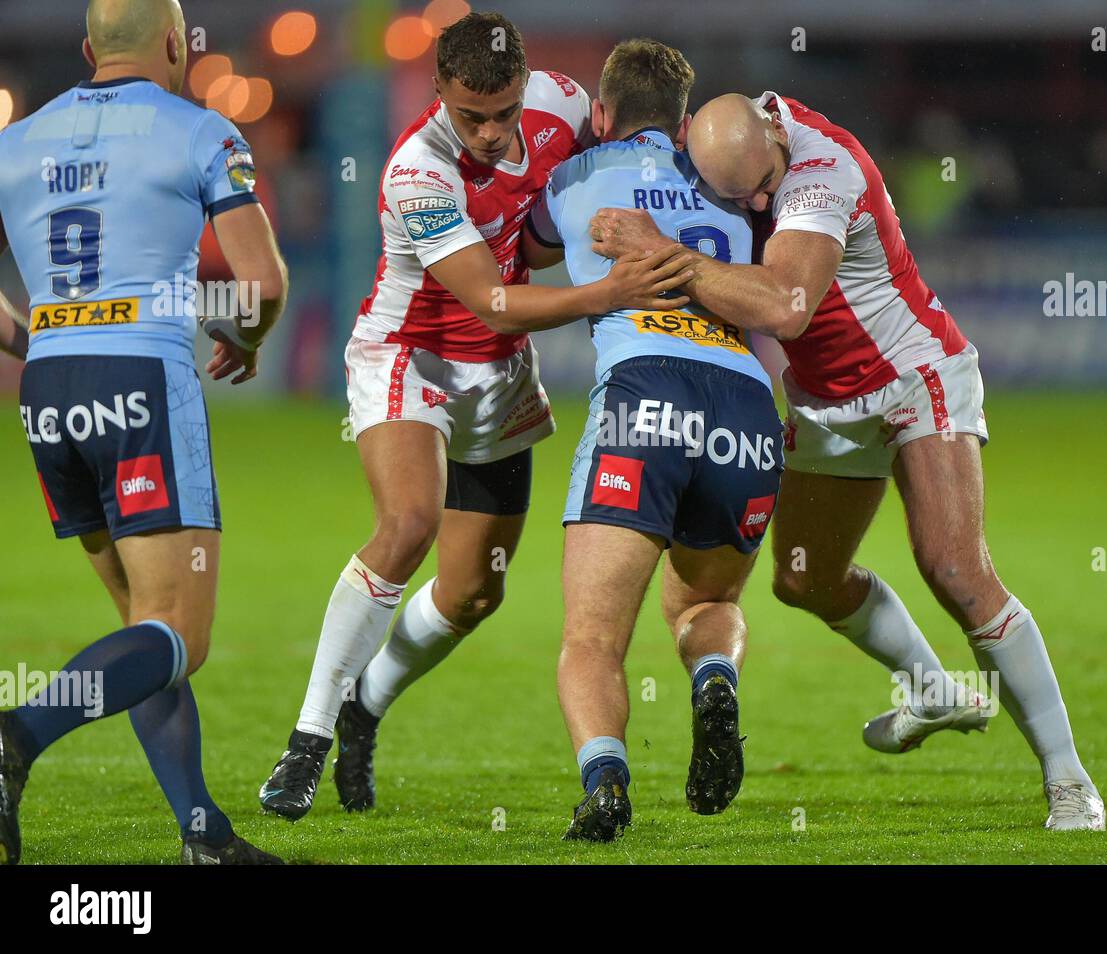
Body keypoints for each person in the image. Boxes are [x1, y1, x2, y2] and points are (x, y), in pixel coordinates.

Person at [589, 91, 1106, 830]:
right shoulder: (724, 152)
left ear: (775, 135)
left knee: (955, 567)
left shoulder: (823, 167)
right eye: (743, 196)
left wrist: (658, 253)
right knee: (803, 578)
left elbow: (786, 306)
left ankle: (1069, 778)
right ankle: (930, 688)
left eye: (764, 182)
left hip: (911, 374)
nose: (762, 199)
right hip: (826, 399)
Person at [259, 12, 691, 820]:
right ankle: (308, 738)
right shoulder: (417, 171)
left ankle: (366, 707)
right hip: (410, 352)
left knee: (471, 596)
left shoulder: (564, 106)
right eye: (471, 116)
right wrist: (609, 291)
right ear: (438, 95)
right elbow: (493, 301)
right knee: (408, 523)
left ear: (525, 87)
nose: (490, 133)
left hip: (498, 376)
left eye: (502, 112)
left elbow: (558, 223)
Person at [0, 0, 288, 864]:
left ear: (89, 50)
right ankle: (16, 733)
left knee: (144, 631)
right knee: (178, 635)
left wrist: (37, 337)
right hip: (141, 380)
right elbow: (262, 281)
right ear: (175, 45)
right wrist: (246, 337)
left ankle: (203, 833)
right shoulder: (201, 131)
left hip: (50, 389)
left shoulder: (16, 143)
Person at [510, 39, 782, 840]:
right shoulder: (728, 185)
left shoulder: (575, 178)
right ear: (688, 123)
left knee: (592, 638)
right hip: (745, 405)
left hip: (644, 395)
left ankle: (606, 785)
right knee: (707, 601)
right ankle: (714, 679)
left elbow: (520, 252)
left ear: (601, 114)